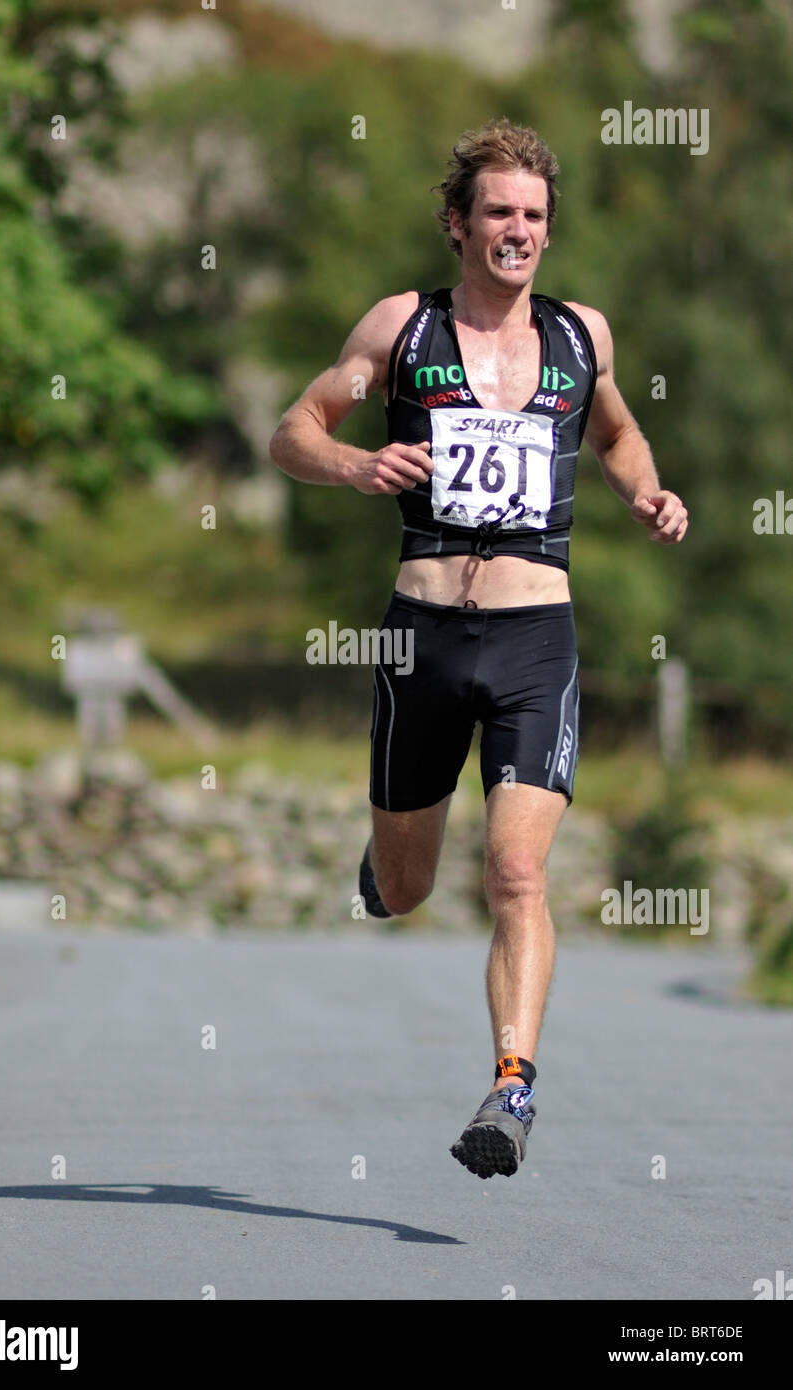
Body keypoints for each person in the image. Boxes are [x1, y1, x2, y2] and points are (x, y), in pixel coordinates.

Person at [269, 118, 687, 1179]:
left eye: (534, 216)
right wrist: (355, 466)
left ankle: (510, 1084)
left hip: (534, 638)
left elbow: (617, 432)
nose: (517, 232)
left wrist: (644, 490)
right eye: (497, 212)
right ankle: (387, 861)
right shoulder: (401, 326)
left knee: (514, 871)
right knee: (405, 889)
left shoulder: (578, 334)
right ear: (457, 222)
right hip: (422, 638)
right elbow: (294, 430)